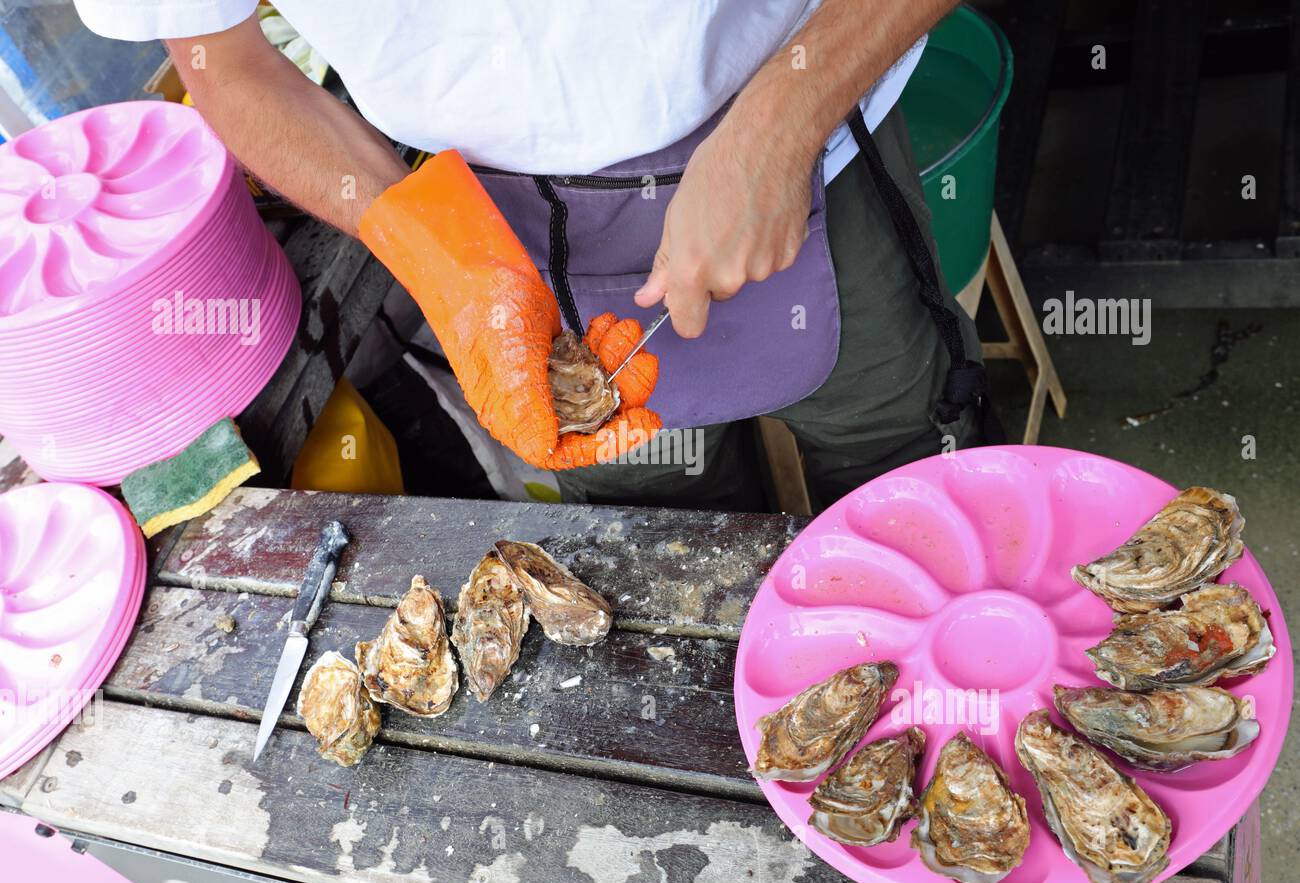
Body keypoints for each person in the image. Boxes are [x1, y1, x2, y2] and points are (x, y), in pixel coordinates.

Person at [75, 0, 995, 511]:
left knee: (910, 464)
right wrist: (436, 258)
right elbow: (223, 66)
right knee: (659, 525)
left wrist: (782, 124)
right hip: (506, 230)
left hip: (810, 131)